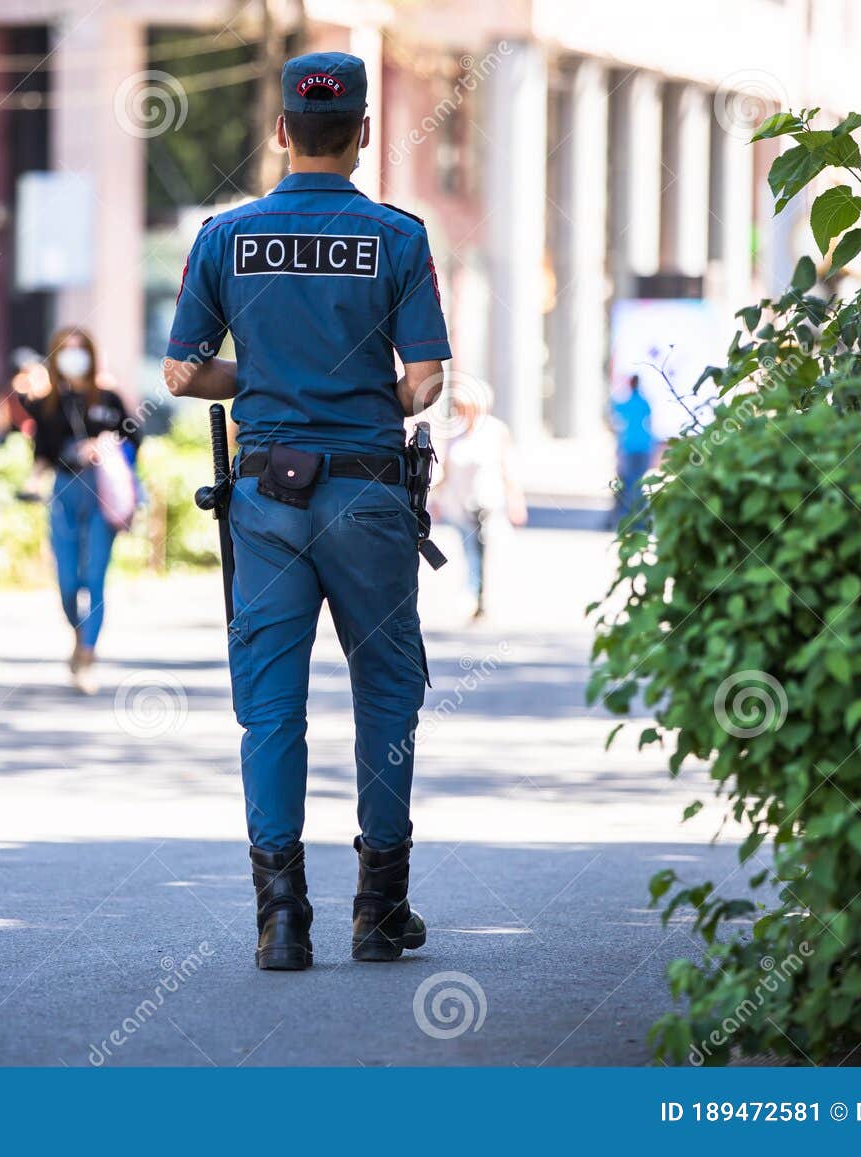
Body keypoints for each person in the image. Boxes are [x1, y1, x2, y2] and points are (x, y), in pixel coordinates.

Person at [163, 51, 449, 971]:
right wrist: (358, 389)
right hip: (367, 495)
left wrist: (269, 382)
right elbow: (426, 382)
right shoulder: (397, 238)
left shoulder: (226, 237)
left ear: (281, 131)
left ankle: (281, 919)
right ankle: (379, 910)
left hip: (265, 500)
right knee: (387, 699)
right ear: (363, 134)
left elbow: (180, 373)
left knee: (273, 709)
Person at [11, 327, 139, 695]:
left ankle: (86, 656)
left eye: (80, 349)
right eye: (65, 350)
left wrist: (107, 444)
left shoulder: (109, 399)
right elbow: (42, 457)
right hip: (64, 491)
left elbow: (135, 440)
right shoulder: (48, 404)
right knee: (68, 582)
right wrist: (32, 484)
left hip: (103, 494)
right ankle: (80, 633)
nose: (74, 356)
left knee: (95, 577)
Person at [431, 382, 527, 620]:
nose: (465, 414)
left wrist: (516, 501)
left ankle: (481, 594)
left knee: (486, 548)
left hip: (488, 502)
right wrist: (434, 497)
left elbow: (508, 468)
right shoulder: (453, 432)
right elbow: (445, 467)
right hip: (460, 504)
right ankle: (475, 593)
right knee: (469, 549)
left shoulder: (496, 431)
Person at [608, 372, 656, 527]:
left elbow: (612, 412)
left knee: (628, 484)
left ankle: (627, 520)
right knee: (639, 483)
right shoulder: (644, 402)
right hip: (644, 447)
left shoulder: (625, 403)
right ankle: (641, 520)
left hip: (628, 447)